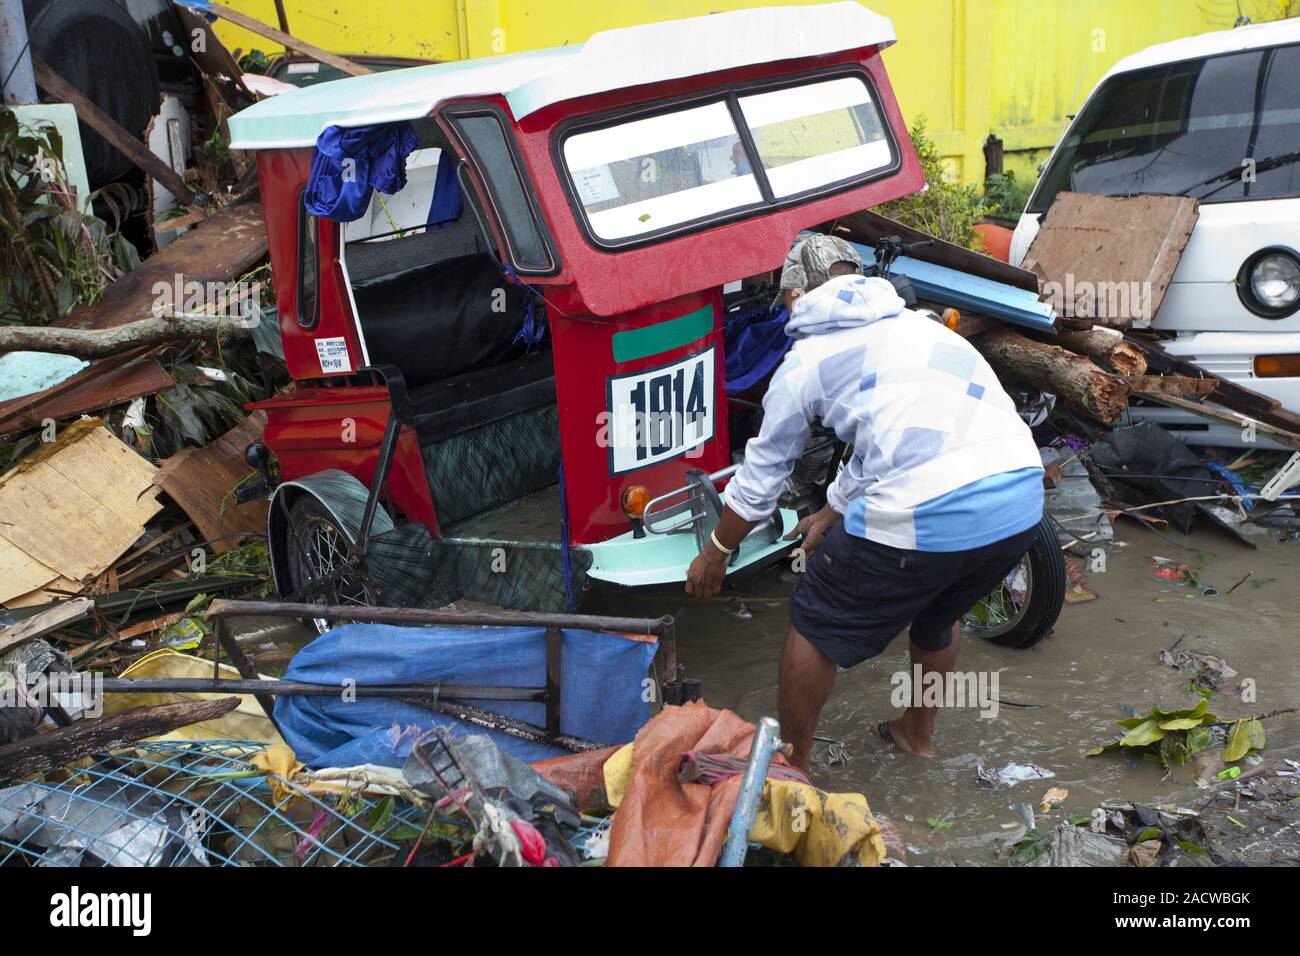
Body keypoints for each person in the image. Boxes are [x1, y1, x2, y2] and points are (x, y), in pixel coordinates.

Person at [685, 234, 1044, 771]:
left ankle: (795, 765)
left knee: (813, 619)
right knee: (937, 610)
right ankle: (915, 735)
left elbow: (760, 480)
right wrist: (832, 511)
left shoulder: (806, 361)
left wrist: (714, 551)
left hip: (931, 508)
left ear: (793, 296)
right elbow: (900, 440)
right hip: (1020, 500)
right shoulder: (920, 326)